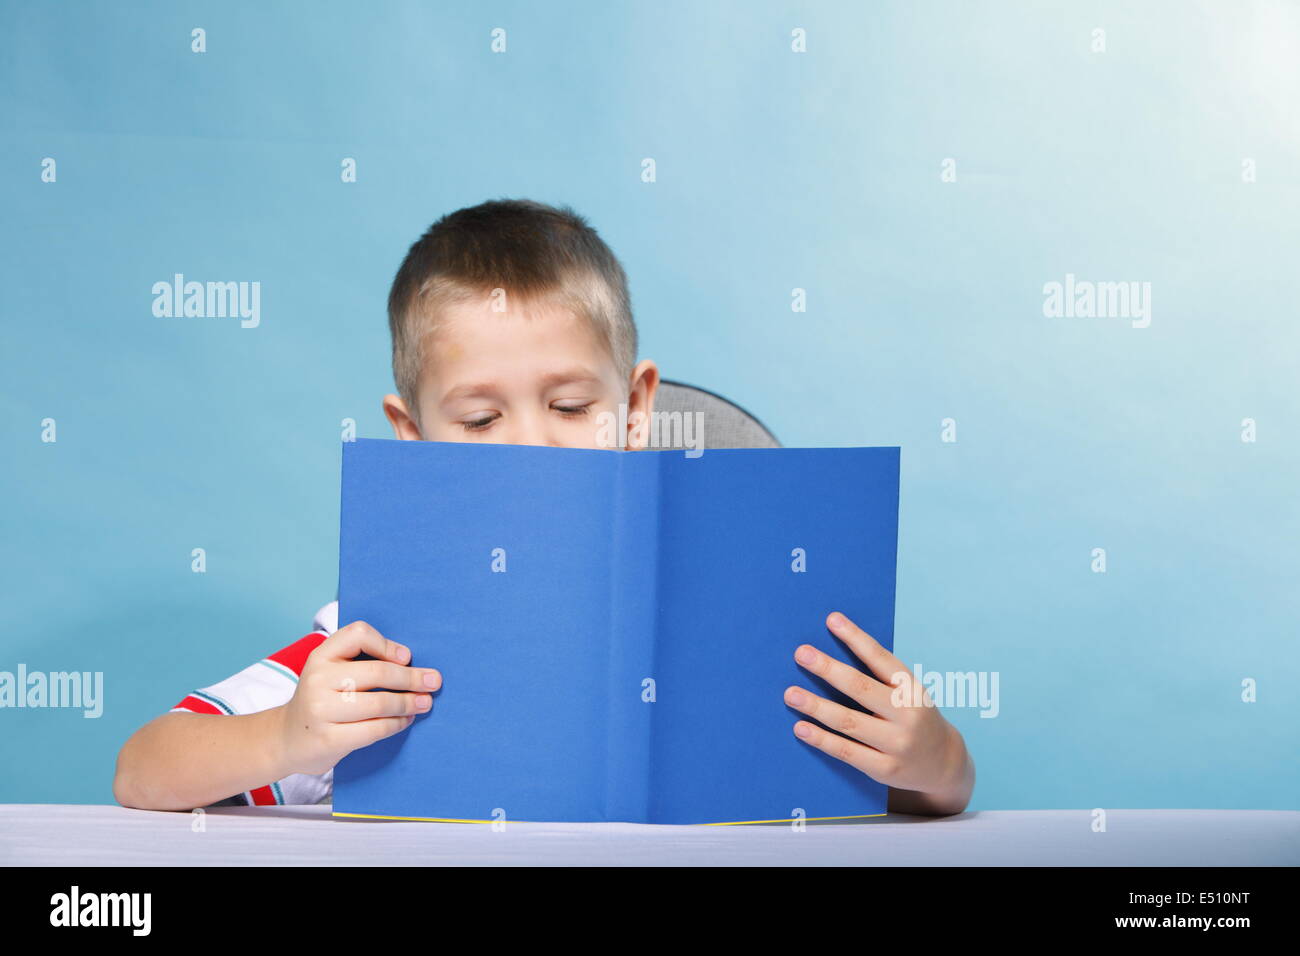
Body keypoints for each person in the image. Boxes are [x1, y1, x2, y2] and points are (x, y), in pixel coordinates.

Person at [112, 198, 974, 817]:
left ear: (637, 410)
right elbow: (145, 771)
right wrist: (290, 739)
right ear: (409, 434)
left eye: (569, 407)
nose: (532, 444)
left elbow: (923, 788)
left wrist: (931, 757)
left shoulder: (744, 615)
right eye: (481, 417)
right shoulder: (375, 638)